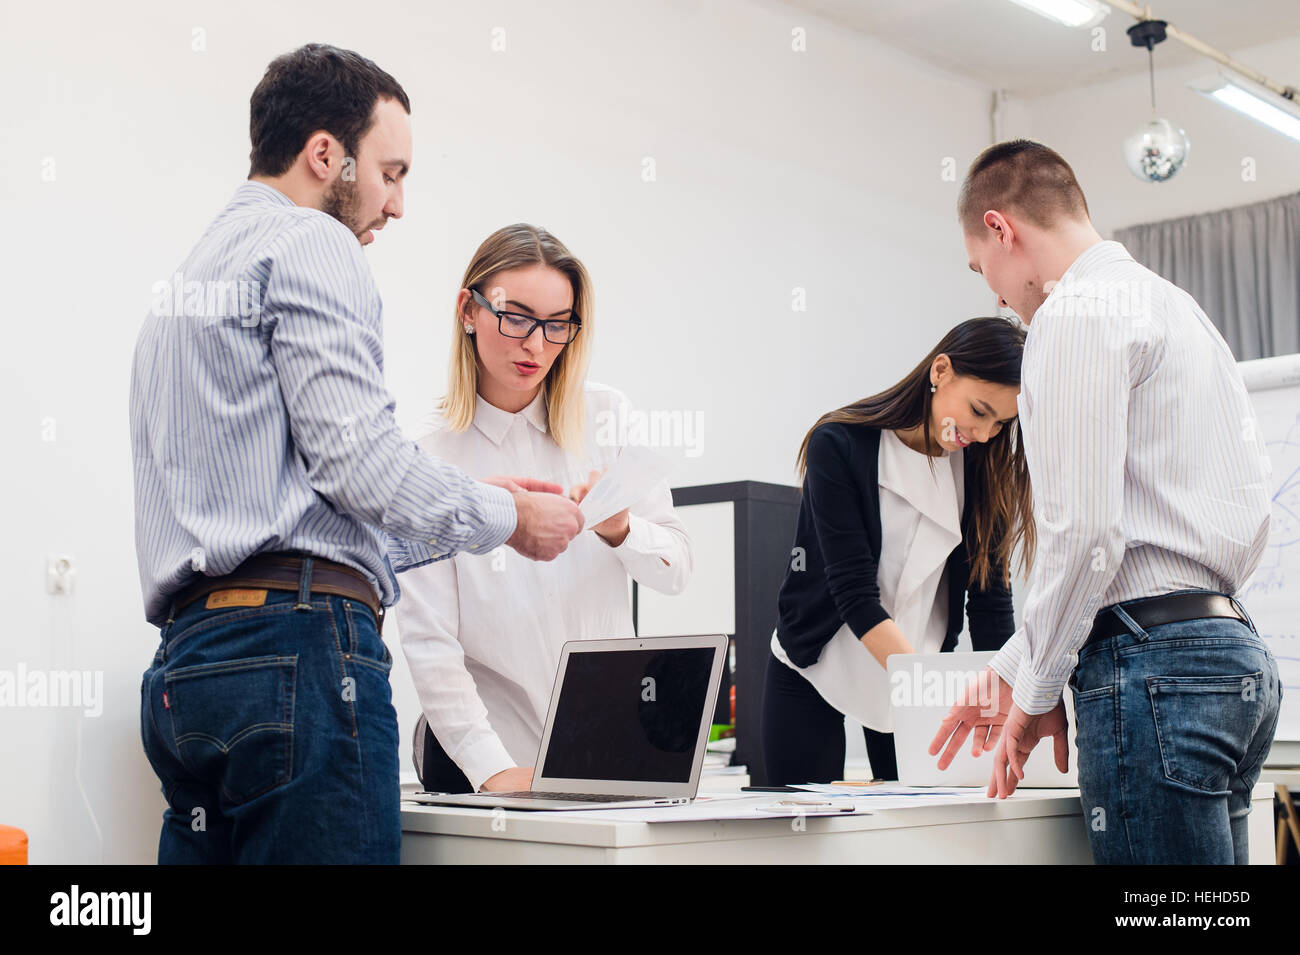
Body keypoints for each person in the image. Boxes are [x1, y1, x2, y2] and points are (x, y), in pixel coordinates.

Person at [131, 45, 583, 864]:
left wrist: (473, 511)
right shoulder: (311, 241)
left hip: (186, 674)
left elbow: (296, 513)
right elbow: (361, 468)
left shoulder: (182, 290)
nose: (398, 204)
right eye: (391, 171)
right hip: (298, 663)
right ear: (325, 155)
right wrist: (510, 516)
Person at [931, 139, 1280, 865]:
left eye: (980, 268)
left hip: (1154, 676)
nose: (995, 295)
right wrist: (1016, 665)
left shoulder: (1072, 314)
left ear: (1002, 229)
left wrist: (1034, 692)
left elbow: (1089, 538)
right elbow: (1169, 545)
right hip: (1233, 659)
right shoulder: (1180, 309)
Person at [396, 224, 694, 794]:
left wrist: (622, 530)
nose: (535, 344)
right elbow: (431, 640)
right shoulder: (429, 453)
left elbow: (677, 570)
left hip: (605, 743)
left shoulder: (605, 417)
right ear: (468, 310)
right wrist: (492, 770)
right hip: (492, 753)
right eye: (516, 317)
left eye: (558, 325)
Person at [762, 317, 1034, 785]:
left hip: (915, 672)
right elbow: (853, 593)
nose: (986, 433)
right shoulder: (841, 444)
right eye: (979, 410)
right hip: (817, 666)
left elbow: (989, 605)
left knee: (923, 835)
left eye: (1001, 422)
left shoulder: (982, 471)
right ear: (940, 371)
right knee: (804, 840)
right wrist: (926, 691)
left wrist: (999, 700)